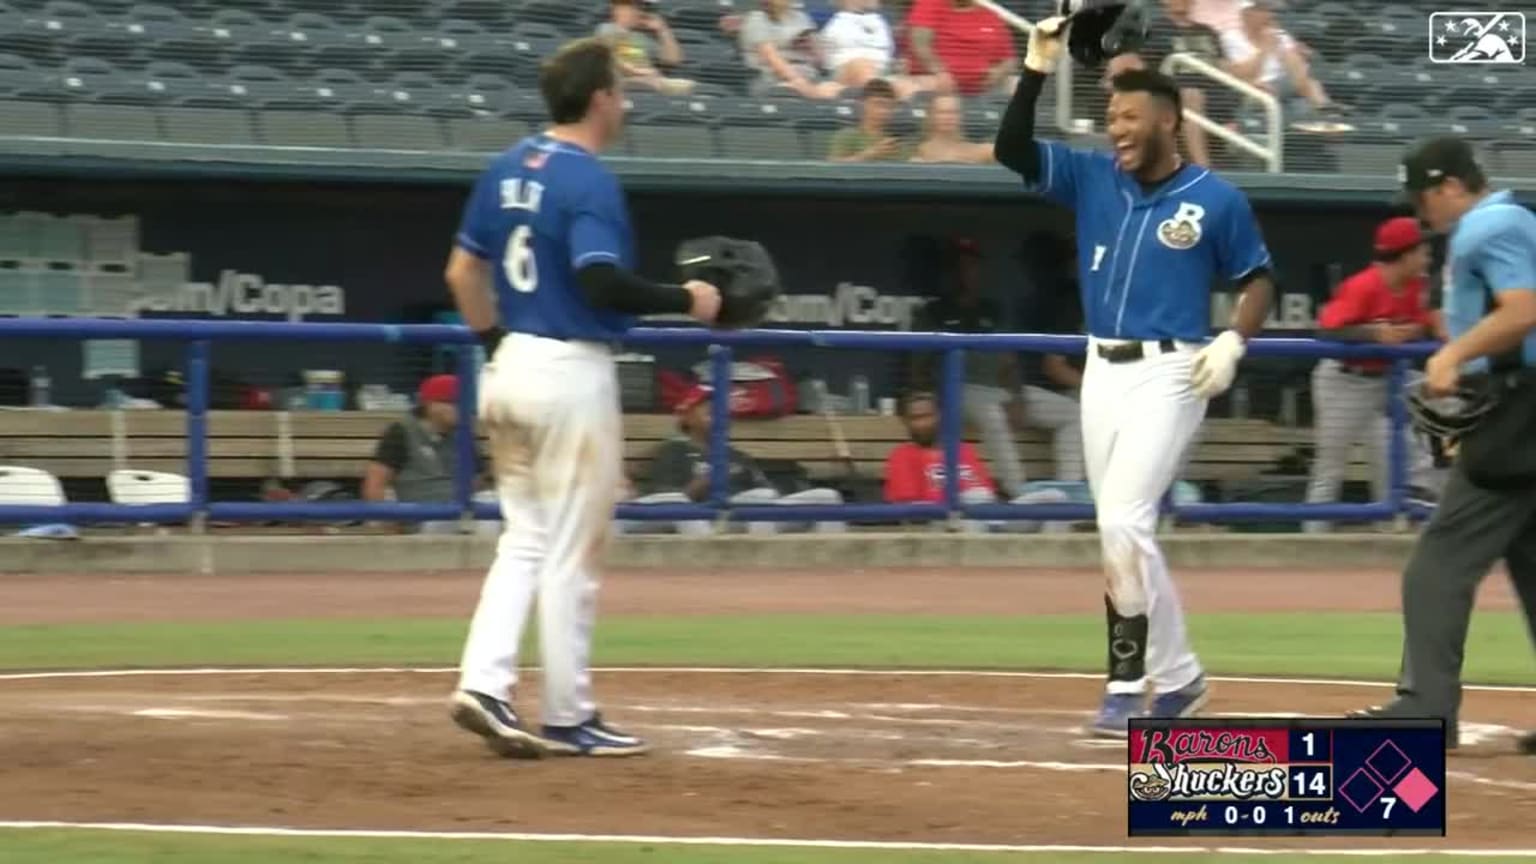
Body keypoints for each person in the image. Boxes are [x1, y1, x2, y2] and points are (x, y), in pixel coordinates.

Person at [443, 37, 722, 759]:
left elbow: (461, 274)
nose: (625, 102)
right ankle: (569, 714)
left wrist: (493, 344)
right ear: (598, 97)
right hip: (570, 370)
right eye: (621, 90)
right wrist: (685, 299)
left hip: (508, 366)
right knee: (570, 552)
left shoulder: (506, 166)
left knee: (525, 540)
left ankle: (484, 682)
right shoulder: (588, 180)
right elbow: (600, 281)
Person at [994, 24, 1276, 738]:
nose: (1115, 128)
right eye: (1111, 117)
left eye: (1128, 117)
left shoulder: (1215, 199)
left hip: (1174, 370)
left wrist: (1235, 341)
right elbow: (1011, 151)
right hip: (1101, 370)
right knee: (1123, 531)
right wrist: (1034, 68)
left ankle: (1125, 686)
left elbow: (1258, 279)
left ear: (1167, 120)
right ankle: (1179, 678)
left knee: (1124, 521)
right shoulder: (1094, 178)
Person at [1351, 137, 1536, 757]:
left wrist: (1455, 352)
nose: (1422, 212)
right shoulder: (1504, 222)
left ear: (1451, 185)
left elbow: (1524, 309)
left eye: (1425, 197)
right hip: (1519, 404)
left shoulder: (1491, 225)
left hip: (1519, 411)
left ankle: (1425, 706)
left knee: (1438, 566)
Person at [1304, 217, 1441, 533]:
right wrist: (1372, 333)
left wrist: (1411, 331)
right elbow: (1325, 331)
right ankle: (1313, 540)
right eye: (1423, 251)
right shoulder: (1364, 285)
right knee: (1331, 467)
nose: (1428, 258)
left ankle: (1393, 536)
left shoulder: (1417, 287)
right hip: (1345, 381)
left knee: (1392, 461)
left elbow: (1426, 325)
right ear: (1404, 254)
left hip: (1388, 381)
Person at [626, 386, 846, 534]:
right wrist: (704, 482)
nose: (720, 418)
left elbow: (769, 494)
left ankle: (837, 574)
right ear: (688, 417)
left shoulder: (736, 455)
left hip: (744, 518)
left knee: (827, 498)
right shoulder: (673, 450)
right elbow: (671, 502)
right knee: (679, 502)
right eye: (711, 412)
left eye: (724, 413)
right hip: (704, 522)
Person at [883, 390, 1071, 533]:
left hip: (992, 516)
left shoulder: (962, 449)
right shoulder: (903, 455)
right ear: (905, 422)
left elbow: (986, 492)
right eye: (917, 418)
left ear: (940, 416)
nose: (924, 423)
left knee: (1056, 498)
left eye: (929, 416)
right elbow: (908, 509)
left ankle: (1050, 567)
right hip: (949, 520)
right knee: (972, 499)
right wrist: (954, 504)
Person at [361, 374, 498, 535]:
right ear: (430, 405)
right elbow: (375, 484)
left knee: (493, 505)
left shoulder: (464, 433)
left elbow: (478, 481)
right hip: (423, 515)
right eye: (452, 403)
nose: (462, 409)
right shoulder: (403, 431)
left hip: (461, 511)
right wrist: (390, 526)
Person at [820, 0, 934, 100]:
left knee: (910, 88)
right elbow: (825, 61)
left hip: (882, 75)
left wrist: (897, 66)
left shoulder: (880, 22)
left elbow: (889, 57)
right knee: (862, 66)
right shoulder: (836, 24)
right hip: (848, 73)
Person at [905, 0, 1017, 97]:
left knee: (1019, 86)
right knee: (909, 87)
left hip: (982, 88)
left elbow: (1009, 59)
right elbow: (919, 44)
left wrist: (998, 73)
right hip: (935, 82)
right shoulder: (930, 3)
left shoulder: (990, 12)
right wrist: (940, 72)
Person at [740, 0, 845, 99]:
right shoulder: (757, 19)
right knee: (792, 91)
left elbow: (821, 62)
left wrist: (812, 47)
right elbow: (772, 59)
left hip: (810, 76)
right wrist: (807, 87)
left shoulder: (801, 18)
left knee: (841, 91)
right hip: (772, 80)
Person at [595, 0, 695, 95]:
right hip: (621, 84)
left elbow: (673, 60)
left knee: (691, 86)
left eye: (642, 8)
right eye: (636, 6)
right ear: (617, 9)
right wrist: (640, 72)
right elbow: (610, 59)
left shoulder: (640, 38)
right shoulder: (606, 30)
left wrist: (662, 30)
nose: (640, 12)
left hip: (648, 84)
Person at [828, 78, 908, 162]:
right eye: (878, 104)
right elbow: (834, 168)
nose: (884, 111)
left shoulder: (895, 142)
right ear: (864, 104)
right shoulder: (847, 136)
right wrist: (871, 154)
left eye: (889, 106)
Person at [909, 93, 994, 164]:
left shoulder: (978, 151)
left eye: (954, 112)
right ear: (931, 116)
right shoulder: (919, 152)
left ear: (960, 116)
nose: (948, 117)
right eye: (942, 112)